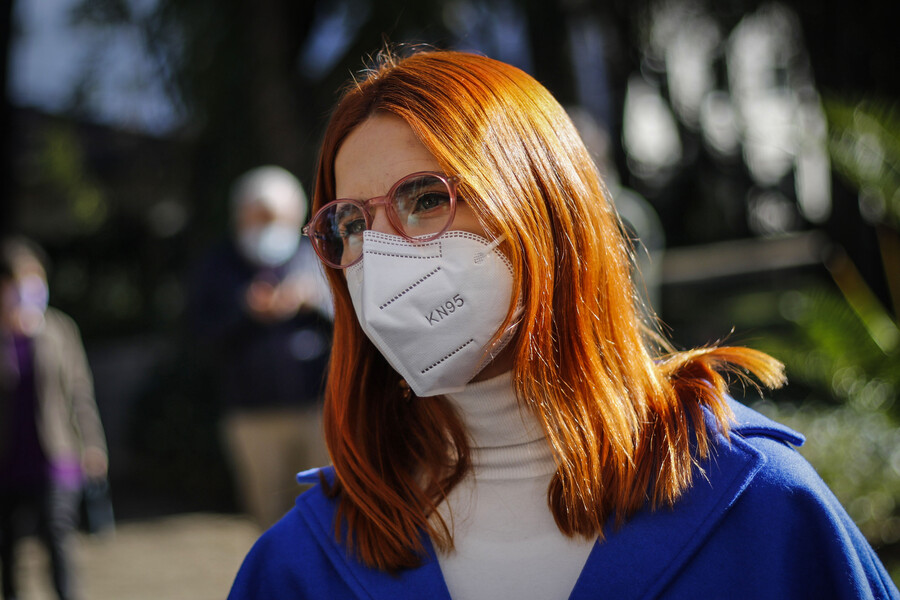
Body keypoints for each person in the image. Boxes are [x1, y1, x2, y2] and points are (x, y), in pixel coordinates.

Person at [228, 49, 900, 599]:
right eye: (349, 224)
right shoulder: (302, 567)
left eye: (426, 197)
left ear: (543, 205)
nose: (381, 256)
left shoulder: (761, 511)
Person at [188, 166, 332, 529]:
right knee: (271, 519)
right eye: (260, 216)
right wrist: (246, 311)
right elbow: (199, 334)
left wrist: (313, 302)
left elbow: (355, 322)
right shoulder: (218, 265)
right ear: (240, 214)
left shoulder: (314, 256)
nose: (269, 226)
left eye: (277, 217)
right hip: (252, 416)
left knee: (331, 513)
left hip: (320, 409)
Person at [0, 237, 108, 600]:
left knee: (58, 541)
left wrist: (92, 444)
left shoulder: (60, 329)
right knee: (9, 551)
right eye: (17, 282)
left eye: (35, 279)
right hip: (8, 461)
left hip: (57, 457)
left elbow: (80, 392)